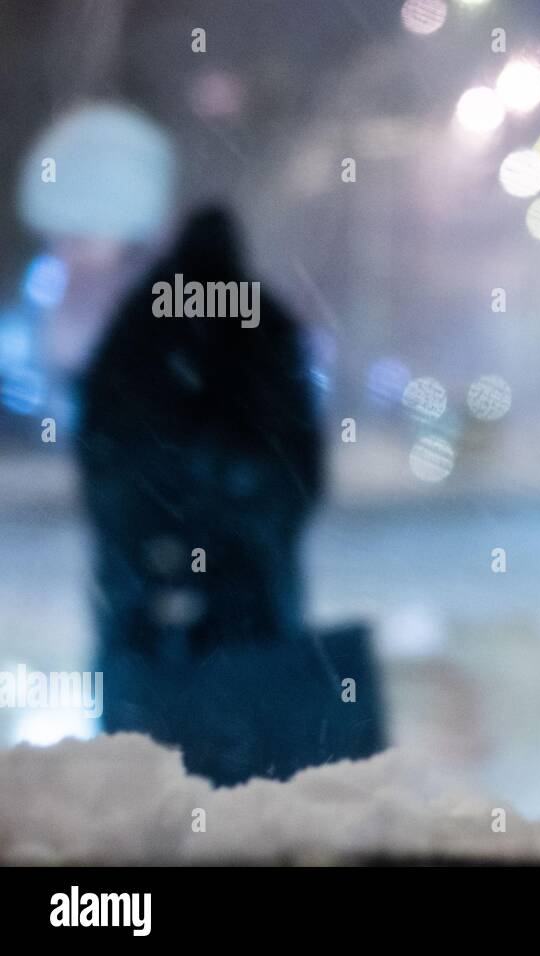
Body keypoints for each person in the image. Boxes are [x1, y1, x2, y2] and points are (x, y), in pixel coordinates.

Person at [76, 206, 384, 785]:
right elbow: (296, 442)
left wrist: (129, 526)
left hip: (147, 538)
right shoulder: (264, 320)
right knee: (253, 678)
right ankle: (245, 795)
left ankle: (133, 798)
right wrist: (268, 516)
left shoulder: (136, 321)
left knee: (143, 680)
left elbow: (103, 433)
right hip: (246, 542)